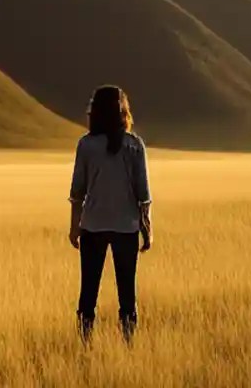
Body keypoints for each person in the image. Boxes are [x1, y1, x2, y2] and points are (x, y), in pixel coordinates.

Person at [67, 85, 153, 345]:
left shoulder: (86, 145)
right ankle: (129, 344)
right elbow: (143, 195)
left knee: (88, 293)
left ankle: (85, 344)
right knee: (127, 295)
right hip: (126, 227)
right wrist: (147, 229)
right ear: (122, 111)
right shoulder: (134, 145)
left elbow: (77, 192)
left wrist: (74, 226)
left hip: (92, 226)